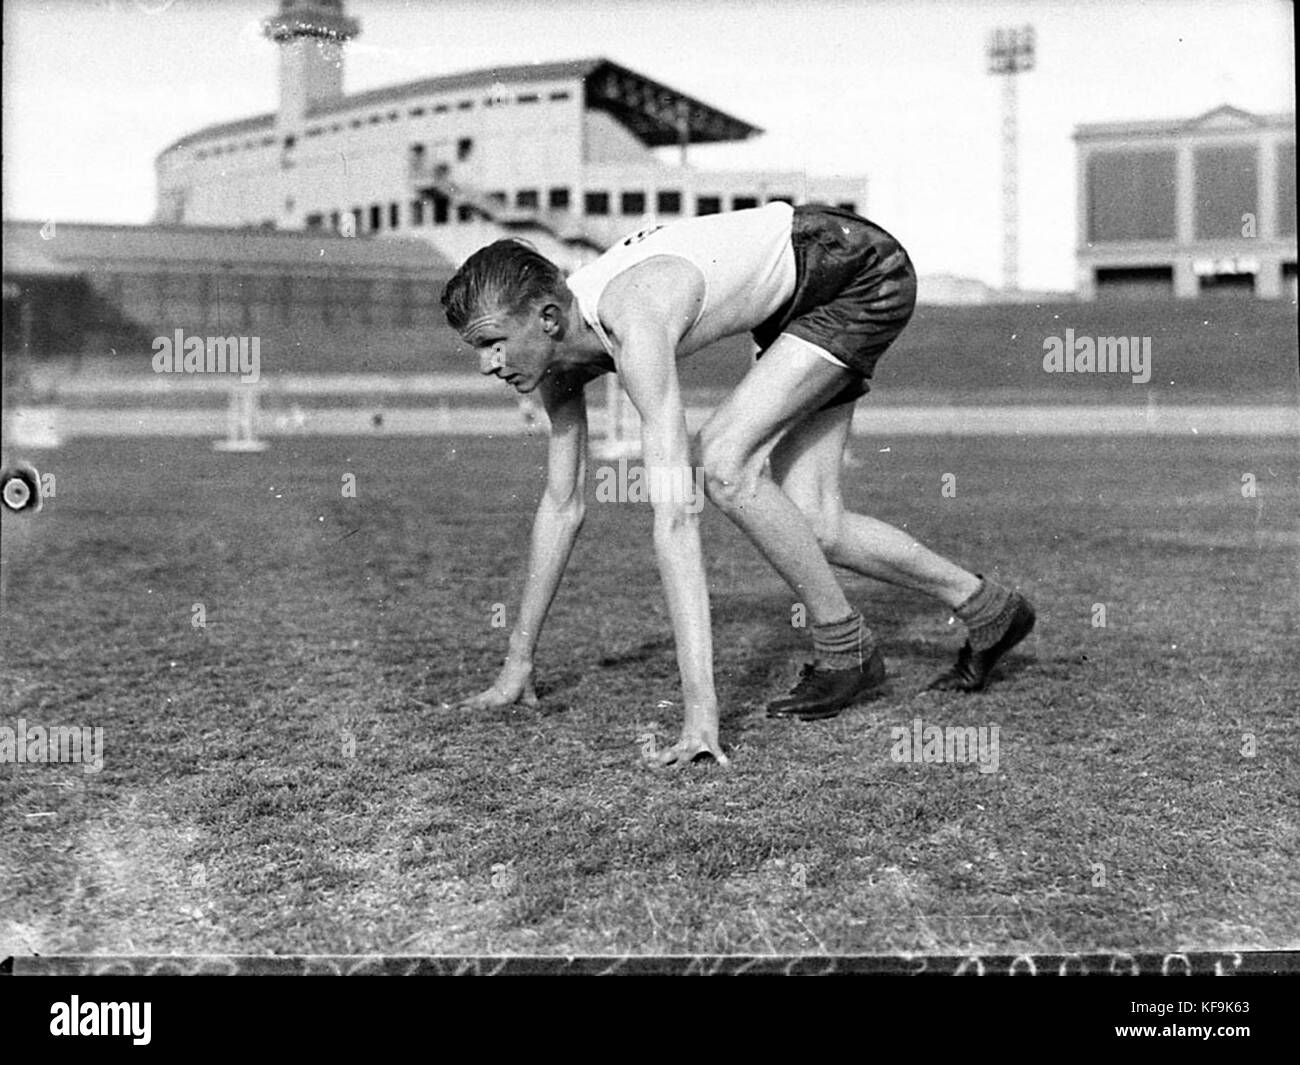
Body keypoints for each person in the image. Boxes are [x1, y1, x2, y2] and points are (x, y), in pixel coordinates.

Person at [440, 202, 1035, 767]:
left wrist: (700, 716)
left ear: (547, 319)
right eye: (479, 349)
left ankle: (843, 646)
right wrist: (517, 663)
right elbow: (561, 506)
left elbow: (675, 518)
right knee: (814, 523)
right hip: (799, 300)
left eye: (494, 343)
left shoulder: (633, 317)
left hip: (850, 269)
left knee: (724, 460)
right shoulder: (556, 353)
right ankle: (987, 608)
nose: (487, 364)